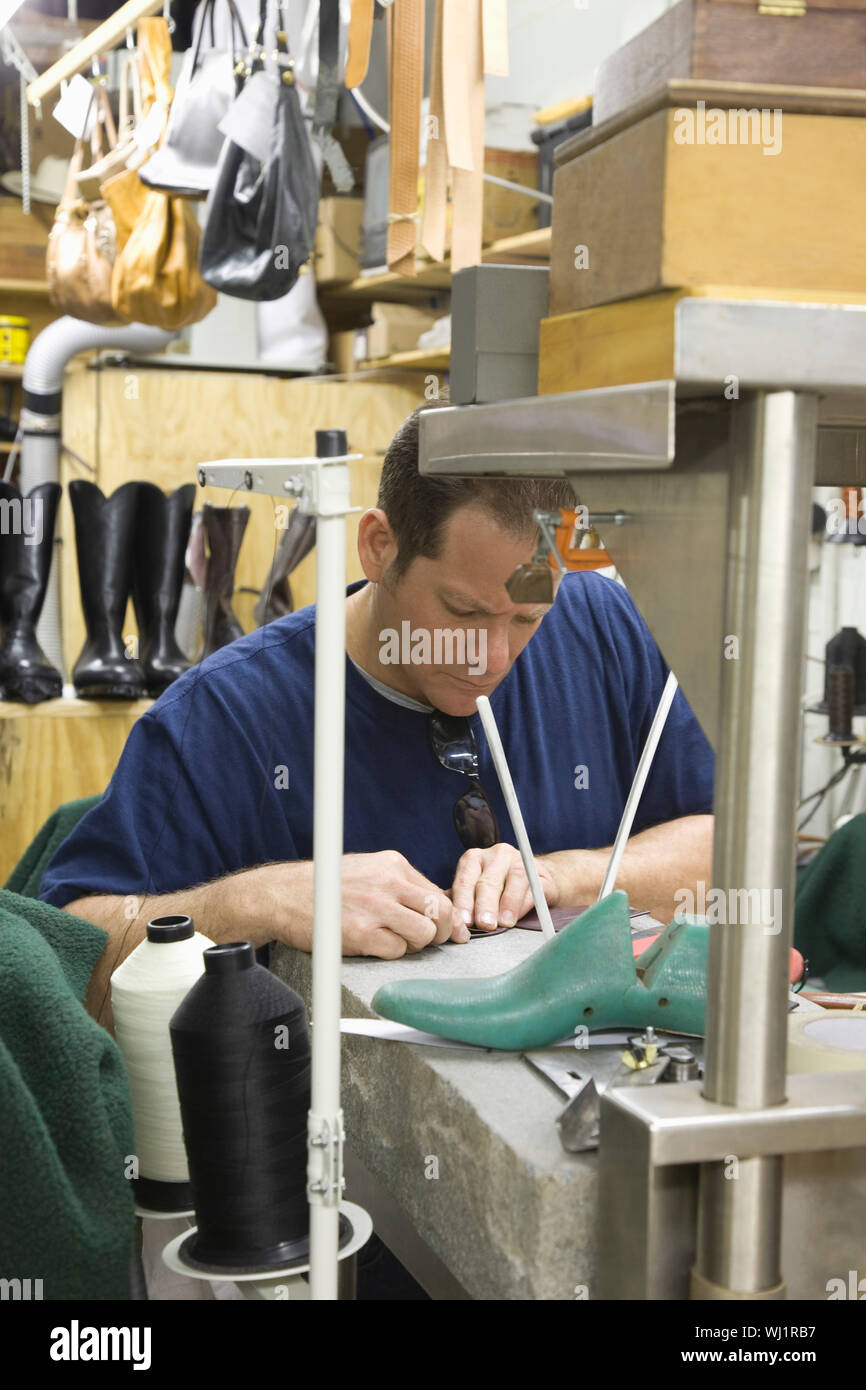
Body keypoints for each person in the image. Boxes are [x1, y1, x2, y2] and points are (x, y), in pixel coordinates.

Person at [40, 404, 714, 1029]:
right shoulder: (222, 718)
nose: (491, 657)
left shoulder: (603, 627)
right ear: (378, 546)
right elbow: (65, 967)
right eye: (464, 612)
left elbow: (735, 854)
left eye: (528, 618)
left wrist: (562, 877)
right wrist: (257, 901)